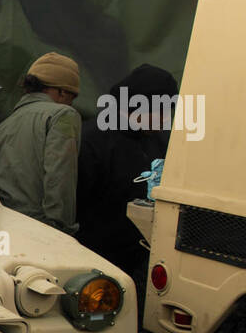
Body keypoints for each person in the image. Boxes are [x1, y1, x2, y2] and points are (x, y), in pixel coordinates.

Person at [76, 63, 178, 307]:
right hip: (97, 264)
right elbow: (76, 201)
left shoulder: (159, 141)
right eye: (162, 110)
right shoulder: (93, 139)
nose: (166, 118)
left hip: (147, 261)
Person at [0, 52, 82, 234]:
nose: (71, 104)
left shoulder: (4, 125)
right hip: (40, 229)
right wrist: (60, 229)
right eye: (72, 97)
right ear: (61, 92)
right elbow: (59, 176)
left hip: (3, 225)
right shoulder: (63, 115)